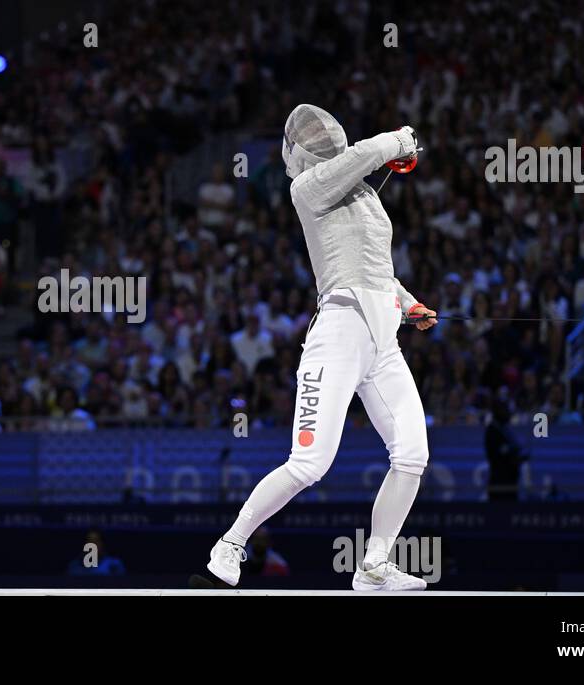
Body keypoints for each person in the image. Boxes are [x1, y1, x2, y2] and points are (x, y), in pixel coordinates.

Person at [203, 105, 437, 591]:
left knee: (413, 453)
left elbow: (377, 268)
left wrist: (409, 304)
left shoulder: (367, 196)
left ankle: (374, 565)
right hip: (338, 336)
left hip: (383, 343)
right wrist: (400, 140)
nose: (319, 137)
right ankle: (230, 543)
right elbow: (365, 154)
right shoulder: (307, 189)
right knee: (309, 464)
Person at [484, 400, 528, 501]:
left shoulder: (505, 430)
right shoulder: (492, 431)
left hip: (511, 482)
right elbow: (497, 454)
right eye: (505, 410)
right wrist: (512, 455)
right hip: (499, 483)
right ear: (497, 411)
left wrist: (519, 457)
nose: (508, 413)